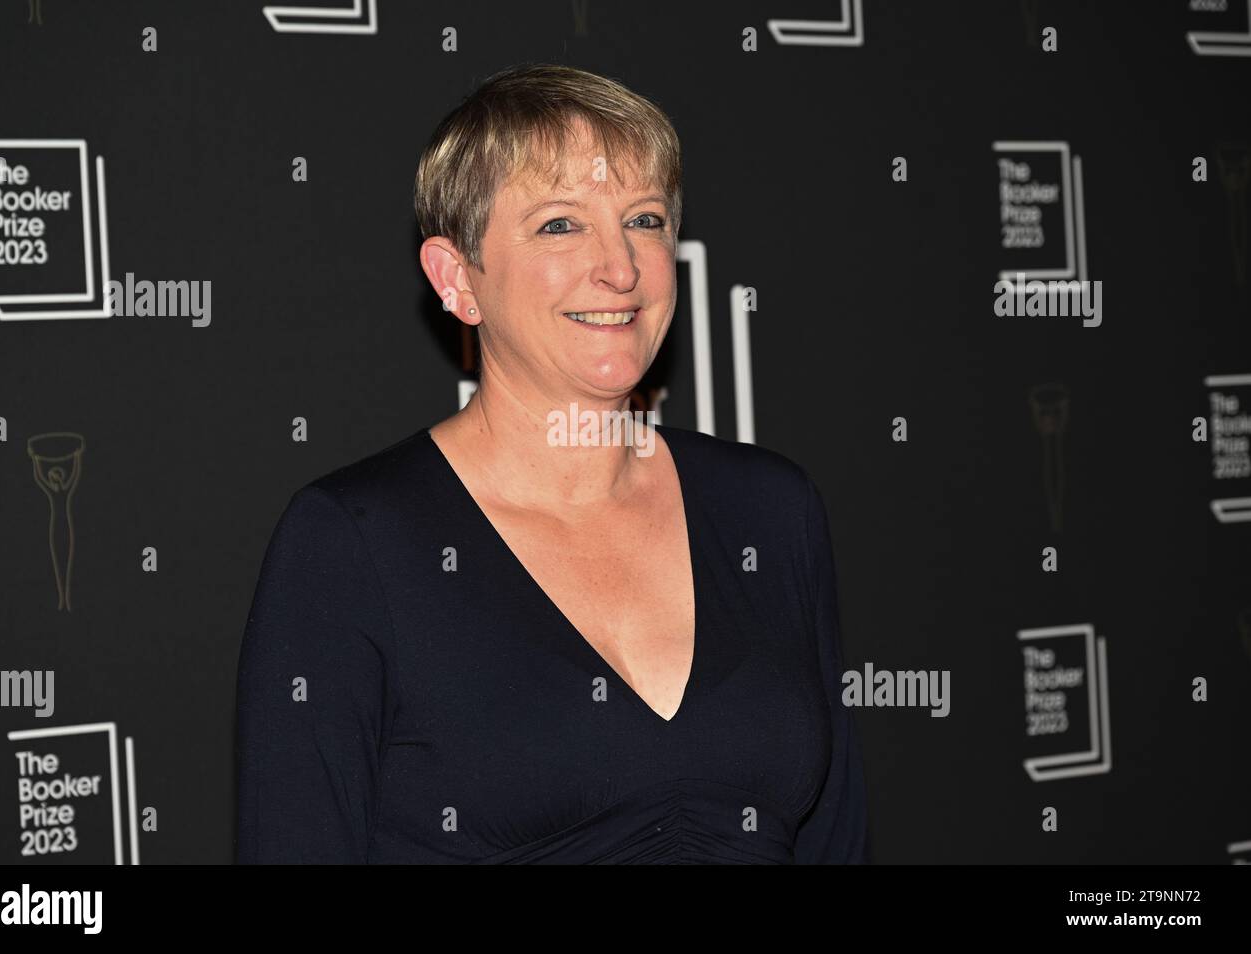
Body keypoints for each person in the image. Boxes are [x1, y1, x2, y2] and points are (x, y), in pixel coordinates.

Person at [235, 63, 869, 864]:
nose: (621, 268)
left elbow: (835, 839)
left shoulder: (772, 512)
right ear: (457, 279)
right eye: (560, 225)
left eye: (644, 218)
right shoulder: (353, 544)